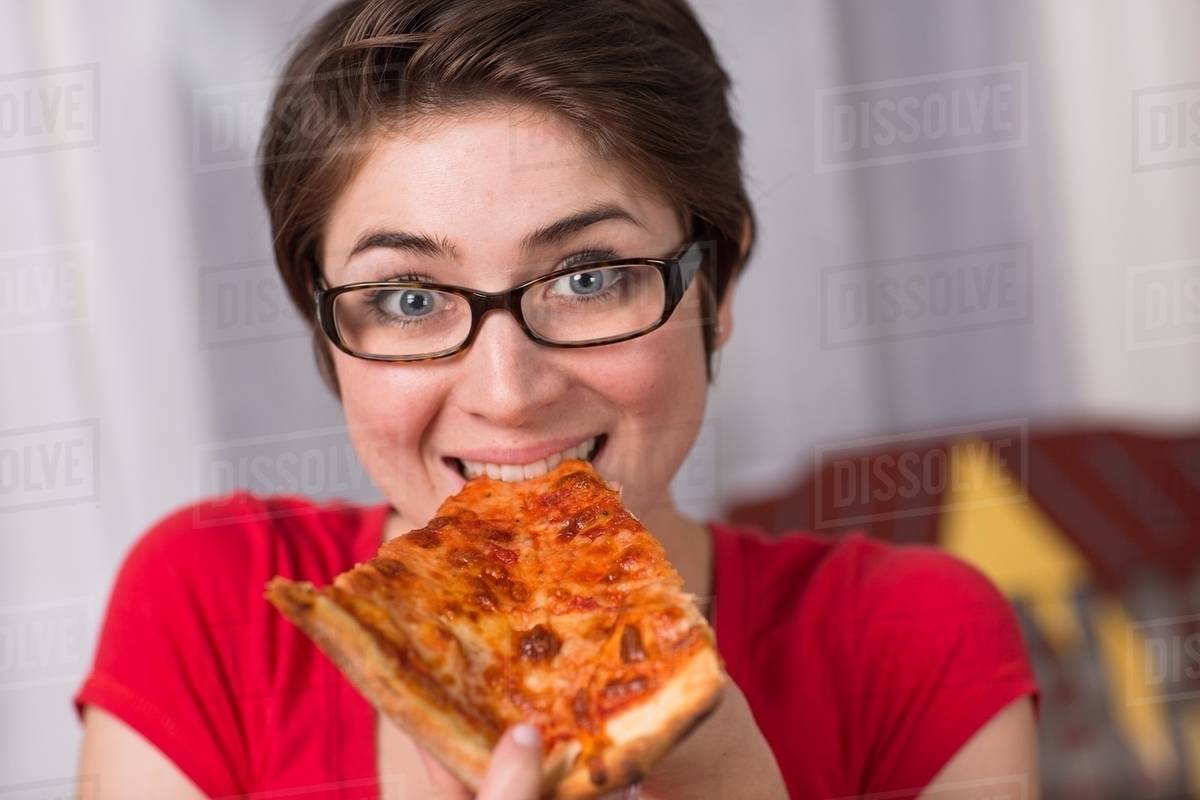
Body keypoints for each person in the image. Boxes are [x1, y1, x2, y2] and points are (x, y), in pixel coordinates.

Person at [74, 1, 1040, 798]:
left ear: (720, 285)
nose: (509, 394)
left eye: (588, 278)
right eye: (408, 299)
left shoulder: (915, 645)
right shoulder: (208, 611)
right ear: (327, 332)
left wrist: (727, 783)